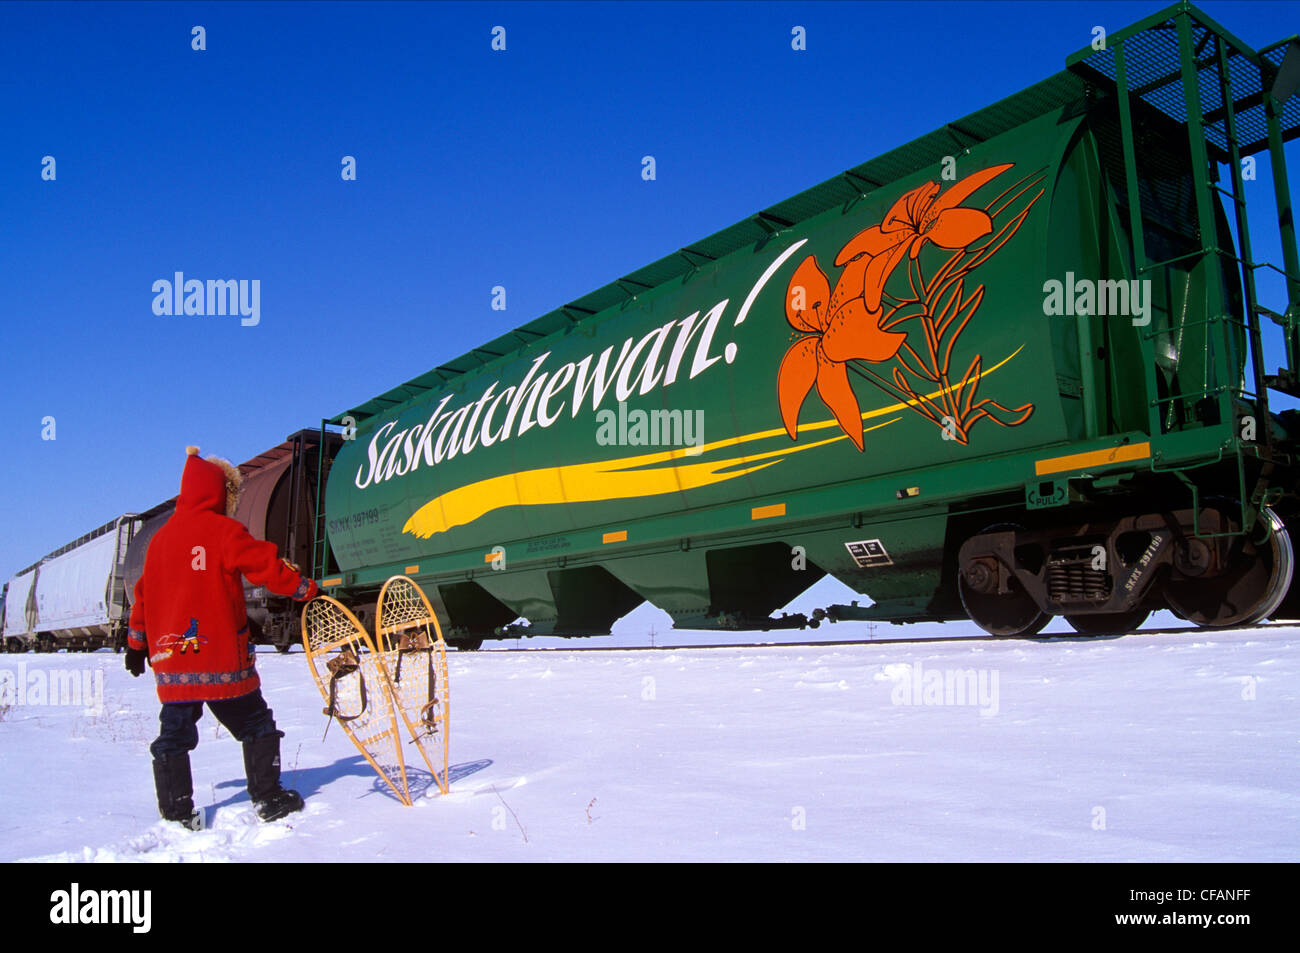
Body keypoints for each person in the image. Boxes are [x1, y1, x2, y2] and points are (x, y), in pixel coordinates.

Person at [125, 445, 319, 827]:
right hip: (222, 662)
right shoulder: (225, 532)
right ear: (222, 493)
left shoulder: (160, 541)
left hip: (173, 661)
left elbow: (143, 597)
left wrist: (135, 645)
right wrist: (306, 589)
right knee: (256, 724)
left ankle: (178, 814)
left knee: (174, 736)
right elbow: (267, 567)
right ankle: (268, 798)